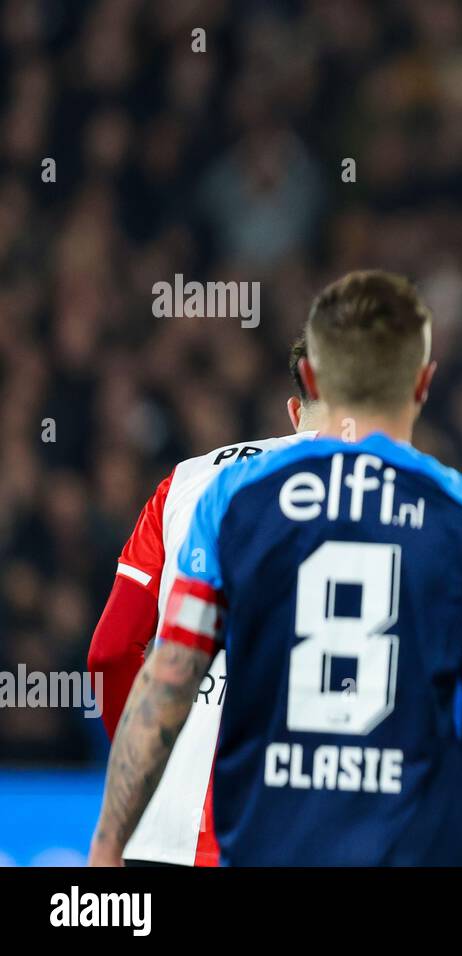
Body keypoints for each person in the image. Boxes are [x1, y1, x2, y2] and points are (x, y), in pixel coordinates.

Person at [89, 270, 462, 866]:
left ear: (308, 380)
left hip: (239, 837)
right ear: (422, 384)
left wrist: (107, 846)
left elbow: (146, 666)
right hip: (403, 846)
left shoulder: (223, 494)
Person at [86, 336, 320, 866]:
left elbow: (110, 651)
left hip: (162, 830)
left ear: (293, 410)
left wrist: (148, 759)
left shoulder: (185, 482)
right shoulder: (396, 501)